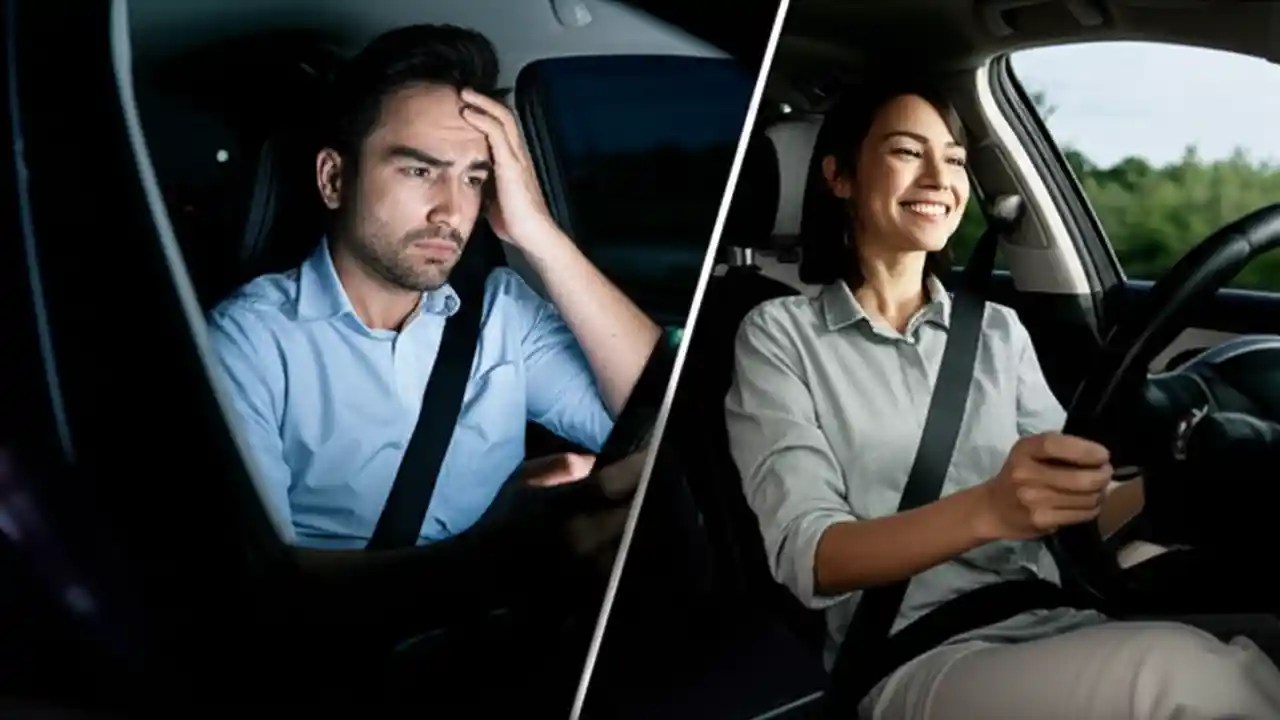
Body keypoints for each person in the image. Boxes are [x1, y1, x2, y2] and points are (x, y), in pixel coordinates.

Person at [723, 78, 1280, 718]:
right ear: (840, 176)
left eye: (955, 159)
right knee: (1194, 680)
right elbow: (811, 556)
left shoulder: (996, 329)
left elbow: (1072, 510)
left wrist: (1187, 482)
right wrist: (991, 508)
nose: (940, 176)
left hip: (1056, 618)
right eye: (907, 151)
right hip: (918, 654)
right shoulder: (778, 335)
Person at [207, 24, 660, 549]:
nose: (451, 211)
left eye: (474, 178)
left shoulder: (501, 313)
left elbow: (660, 415)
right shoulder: (251, 339)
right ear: (333, 179)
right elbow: (269, 584)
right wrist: (507, 549)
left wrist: (539, 232)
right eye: (420, 171)